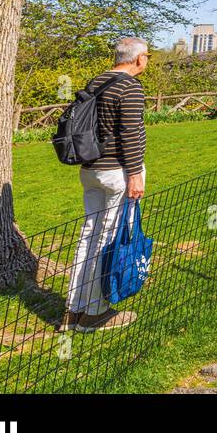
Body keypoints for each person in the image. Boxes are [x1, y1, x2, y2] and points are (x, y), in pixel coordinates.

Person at [63, 37, 148, 333]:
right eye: (146, 56)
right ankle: (95, 313)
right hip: (117, 172)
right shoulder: (129, 87)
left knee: (88, 236)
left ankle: (73, 309)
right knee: (107, 239)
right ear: (139, 59)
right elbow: (130, 134)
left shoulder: (95, 82)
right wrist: (135, 174)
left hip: (90, 169)